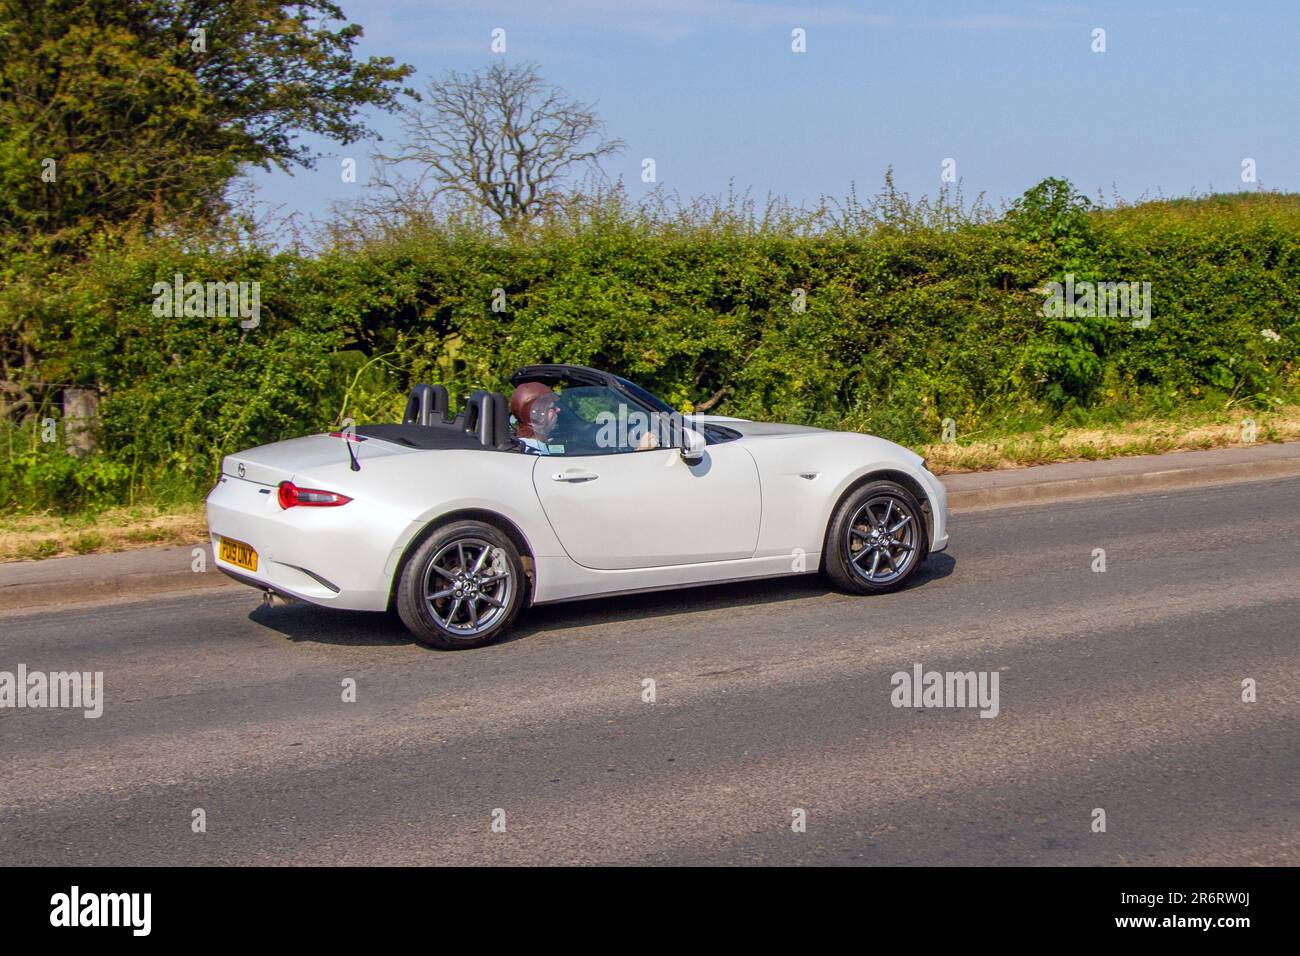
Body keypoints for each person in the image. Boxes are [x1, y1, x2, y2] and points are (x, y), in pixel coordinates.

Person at [509, 382, 565, 455]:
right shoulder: (537, 454)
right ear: (537, 414)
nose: (558, 410)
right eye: (553, 407)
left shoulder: (518, 446)